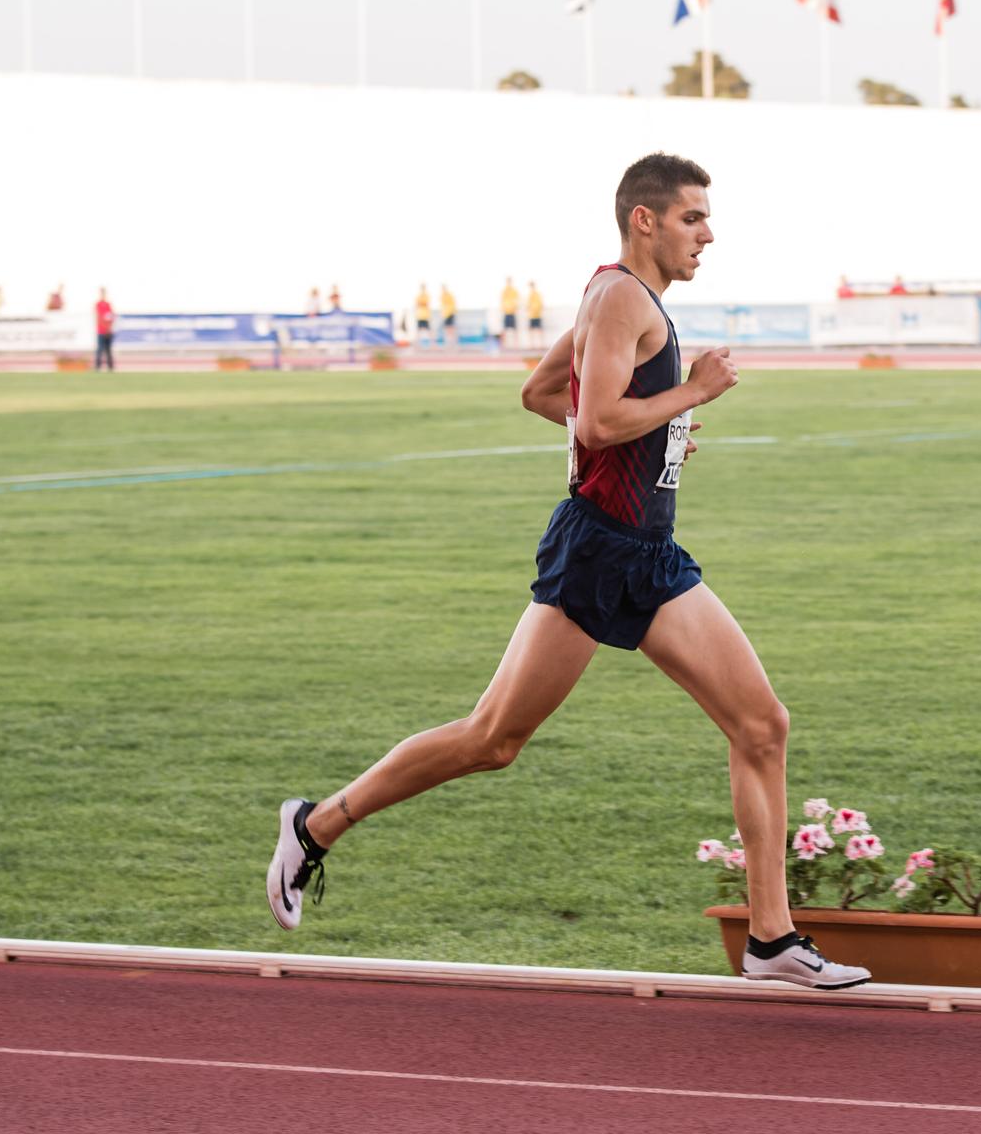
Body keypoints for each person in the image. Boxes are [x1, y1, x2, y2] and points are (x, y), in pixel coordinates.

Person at [266, 152, 870, 991]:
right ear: (644, 220)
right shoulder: (620, 297)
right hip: (598, 552)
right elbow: (594, 423)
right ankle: (316, 824)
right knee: (493, 739)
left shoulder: (621, 297)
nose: (708, 234)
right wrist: (689, 396)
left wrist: (654, 430)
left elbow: (543, 392)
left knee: (762, 725)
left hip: (651, 555)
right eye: (693, 217)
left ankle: (771, 939)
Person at [94, 288, 116, 371]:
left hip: (108, 331)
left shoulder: (108, 304)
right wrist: (105, 327)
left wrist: (109, 328)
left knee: (108, 349)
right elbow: (98, 317)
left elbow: (112, 315)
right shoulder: (98, 304)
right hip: (101, 331)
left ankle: (110, 367)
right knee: (100, 349)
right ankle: (97, 367)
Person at [500, 277, 521, 349]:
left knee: (515, 329)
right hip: (506, 312)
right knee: (504, 329)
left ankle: (516, 345)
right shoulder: (504, 290)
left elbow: (517, 300)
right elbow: (502, 300)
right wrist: (504, 307)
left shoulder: (514, 291)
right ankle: (503, 345)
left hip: (512, 312)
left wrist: (514, 307)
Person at [525, 280, 545, 348]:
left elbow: (540, 304)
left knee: (539, 330)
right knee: (532, 330)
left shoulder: (537, 294)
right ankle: (532, 344)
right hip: (531, 315)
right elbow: (527, 305)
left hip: (537, 315)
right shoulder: (530, 295)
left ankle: (541, 344)